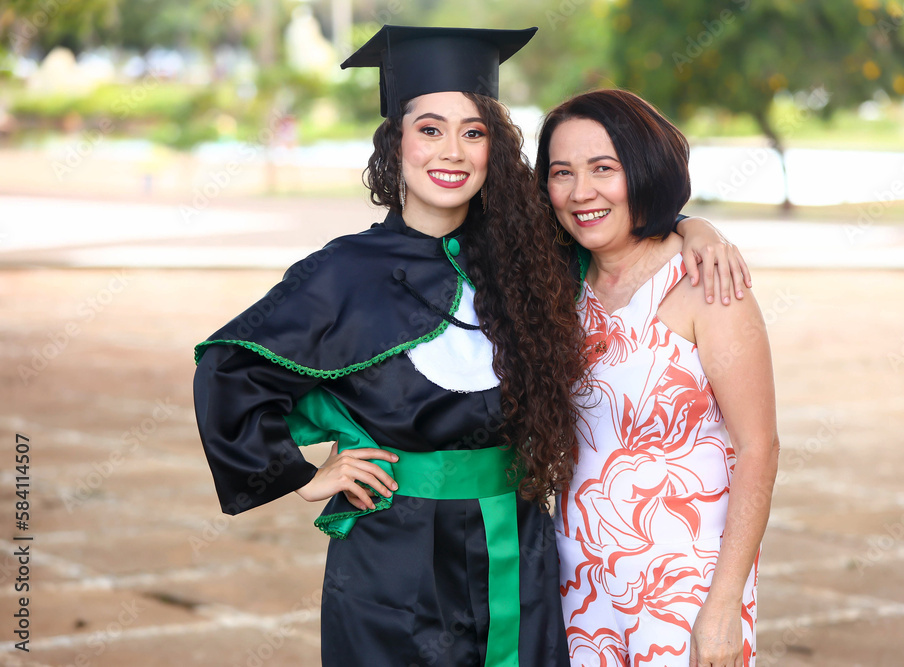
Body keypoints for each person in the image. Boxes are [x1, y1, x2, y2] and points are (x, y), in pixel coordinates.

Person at [193, 27, 747, 667]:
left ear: (495, 147)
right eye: (429, 129)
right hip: (390, 561)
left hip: (520, 547)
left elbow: (608, 216)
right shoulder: (343, 271)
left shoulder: (529, 256)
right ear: (393, 141)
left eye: (474, 132)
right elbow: (230, 369)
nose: (451, 152)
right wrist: (301, 476)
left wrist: (693, 228)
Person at [536, 89, 780, 667]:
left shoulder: (705, 282)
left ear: (643, 169)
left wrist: (724, 606)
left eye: (604, 168)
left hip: (684, 583)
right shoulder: (554, 282)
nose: (581, 192)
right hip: (578, 581)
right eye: (561, 173)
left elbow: (759, 447)